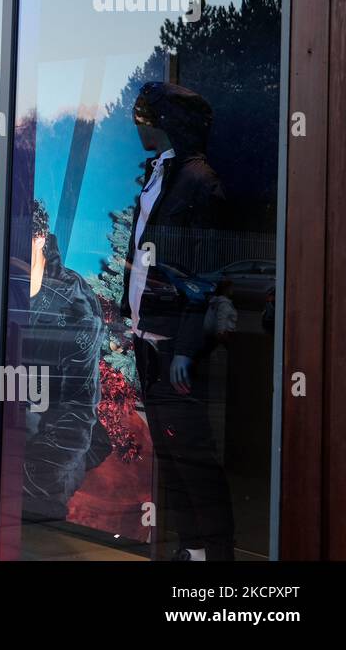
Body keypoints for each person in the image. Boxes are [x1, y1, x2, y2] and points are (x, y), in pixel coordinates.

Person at [121, 81, 234, 561]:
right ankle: (192, 549)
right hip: (150, 338)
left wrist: (186, 347)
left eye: (144, 115)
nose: (137, 124)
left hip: (174, 343)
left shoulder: (198, 181)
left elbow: (206, 274)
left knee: (194, 457)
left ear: (164, 122)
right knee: (170, 453)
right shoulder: (161, 174)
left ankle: (216, 552)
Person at [0, 200, 105, 513]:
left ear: (39, 239)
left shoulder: (74, 303)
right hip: (8, 393)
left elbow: (78, 410)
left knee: (35, 509)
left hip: (55, 417)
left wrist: (27, 478)